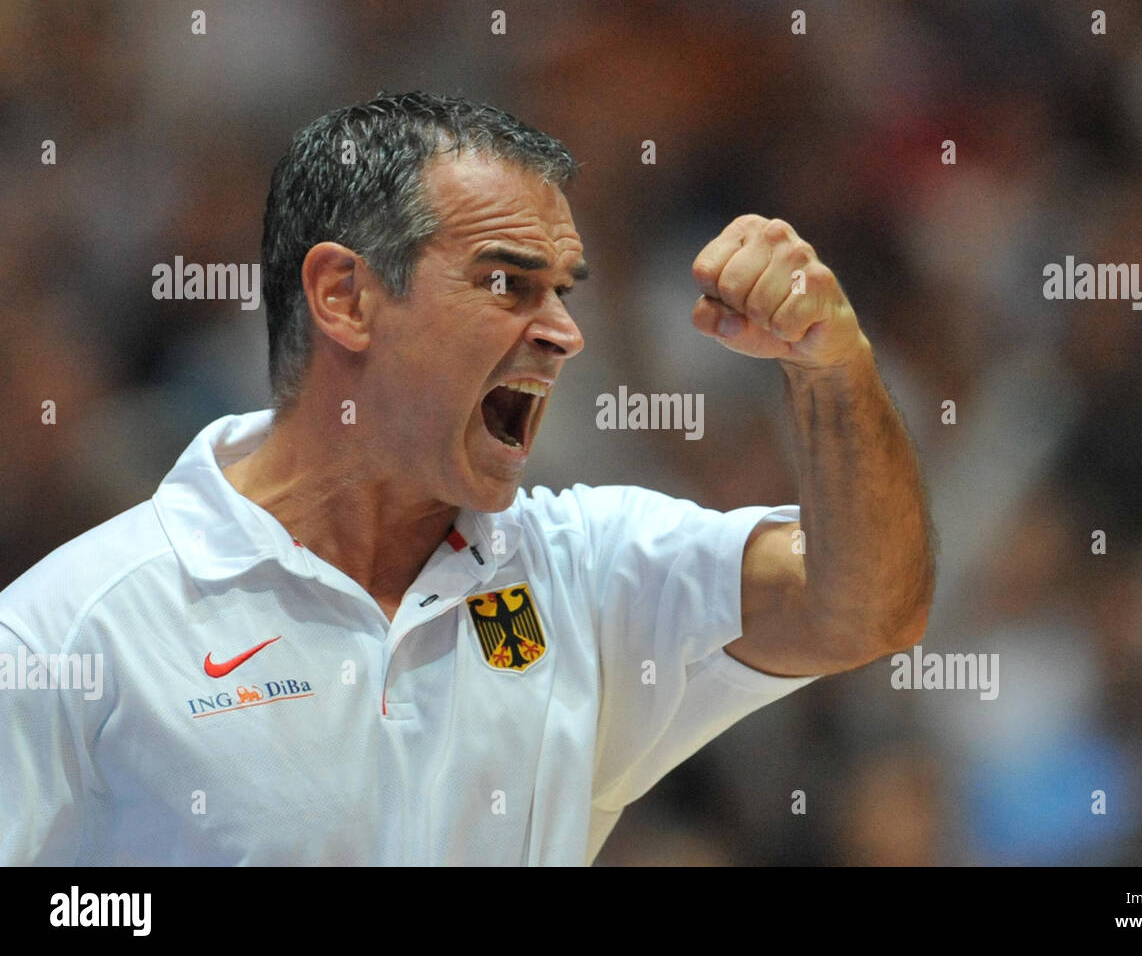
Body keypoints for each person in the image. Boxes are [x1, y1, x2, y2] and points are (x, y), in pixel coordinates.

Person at [0, 92, 934, 865]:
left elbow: (865, 608)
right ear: (344, 297)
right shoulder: (70, 631)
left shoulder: (584, 571)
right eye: (506, 284)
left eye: (563, 289)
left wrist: (831, 365)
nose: (564, 331)